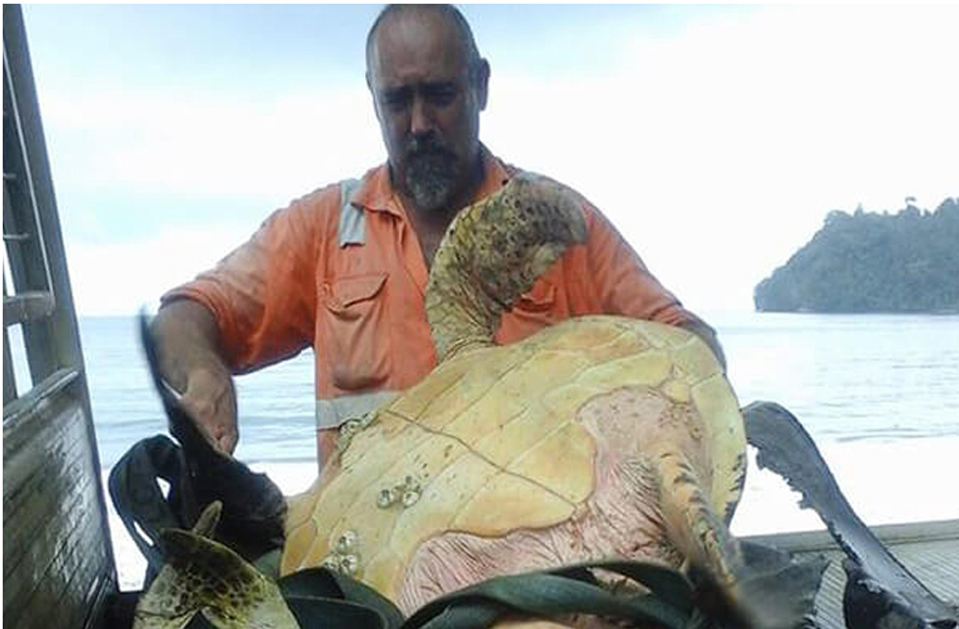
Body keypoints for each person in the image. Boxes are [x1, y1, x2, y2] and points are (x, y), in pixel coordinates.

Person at [149, 3, 724, 468]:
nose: (420, 124)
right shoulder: (323, 229)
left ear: (480, 85)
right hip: (371, 565)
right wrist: (203, 371)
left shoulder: (557, 222)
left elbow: (687, 342)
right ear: (372, 98)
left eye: (440, 94)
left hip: (536, 555)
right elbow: (185, 315)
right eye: (398, 100)